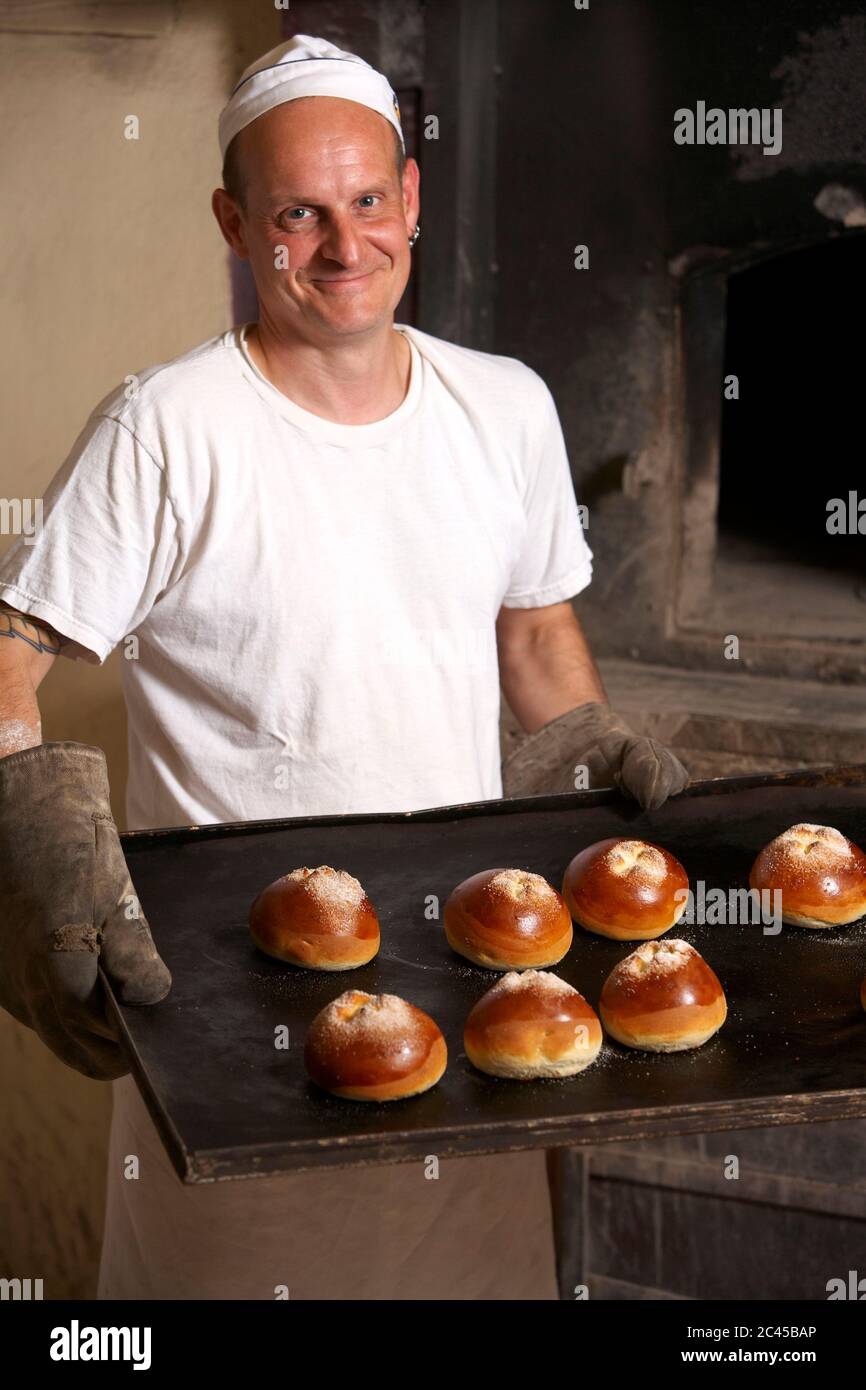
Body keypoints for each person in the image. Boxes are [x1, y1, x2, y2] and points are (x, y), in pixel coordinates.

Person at [0, 34, 688, 1300]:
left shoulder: (506, 407)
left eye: (368, 201)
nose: (343, 243)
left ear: (410, 196)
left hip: (463, 964)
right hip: (223, 1001)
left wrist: (581, 744)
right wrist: (24, 822)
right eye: (296, 214)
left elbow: (533, 633)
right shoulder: (167, 426)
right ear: (232, 221)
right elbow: (11, 649)